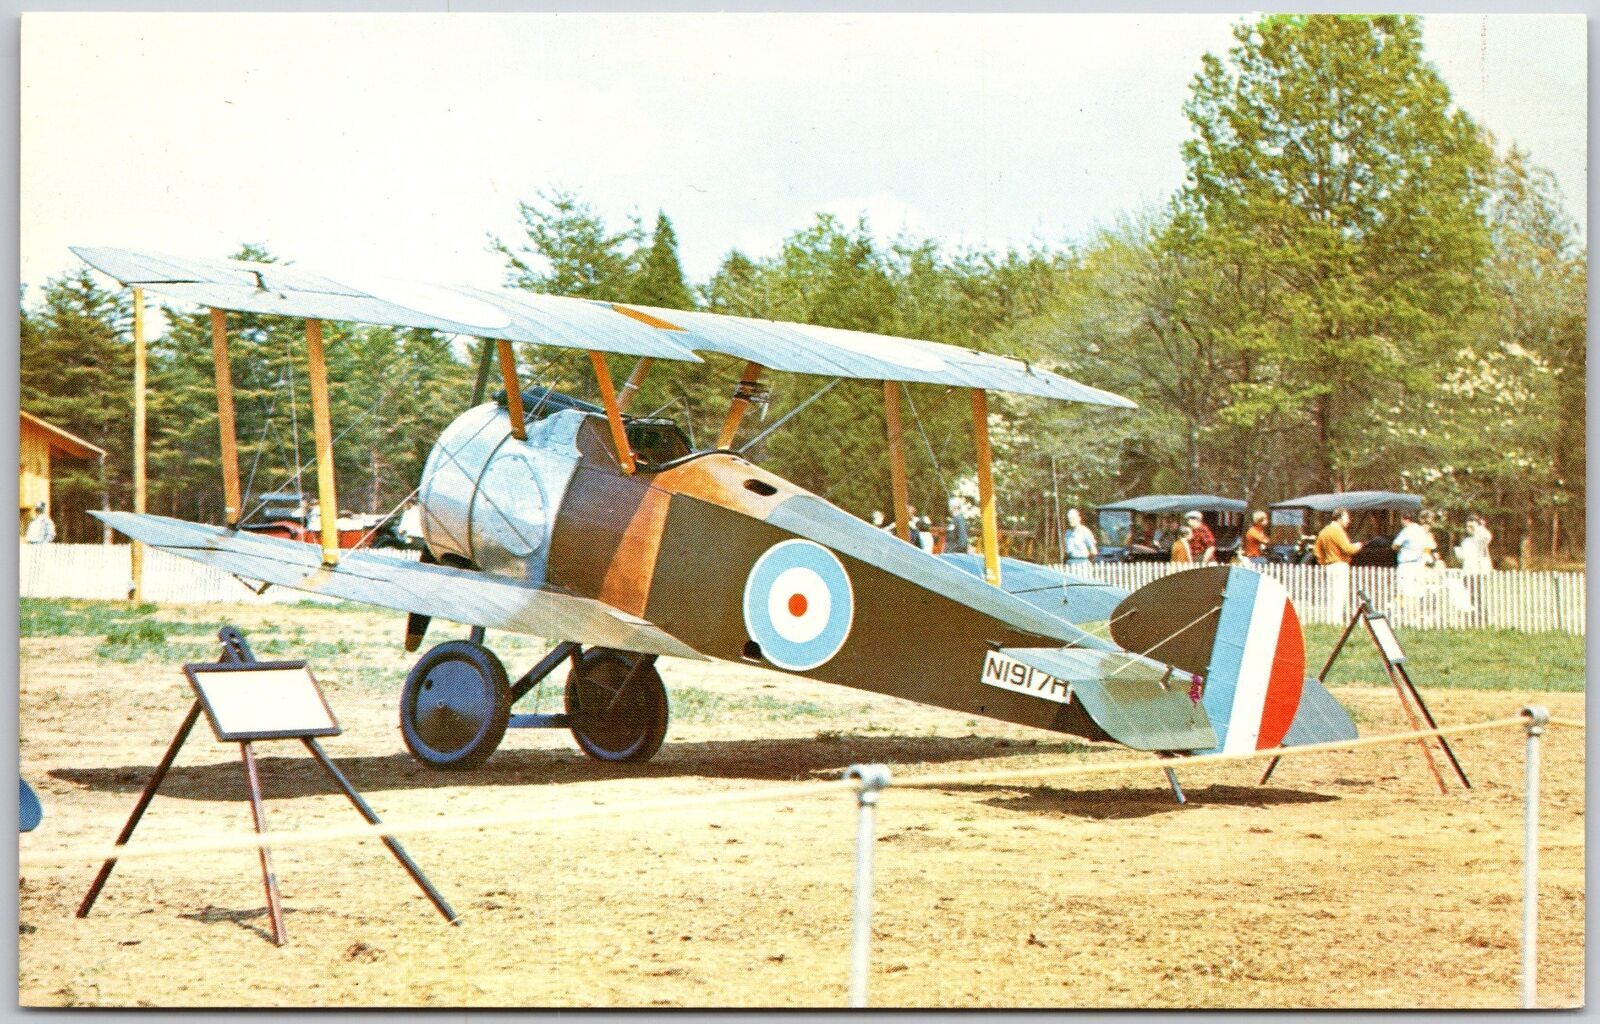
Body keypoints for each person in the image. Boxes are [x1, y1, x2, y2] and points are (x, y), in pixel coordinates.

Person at [1314, 508, 1363, 621]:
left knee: (1331, 594)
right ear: (1339, 518)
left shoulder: (1324, 531)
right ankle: (1337, 620)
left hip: (1329, 566)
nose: (1348, 521)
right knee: (1340, 594)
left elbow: (1317, 551)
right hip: (1340, 565)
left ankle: (1331, 619)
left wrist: (1323, 562)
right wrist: (1357, 546)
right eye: (1346, 518)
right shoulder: (1338, 531)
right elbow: (1348, 549)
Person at [1392, 509, 1432, 614]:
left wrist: (1400, 549)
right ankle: (1415, 615)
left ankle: (1409, 616)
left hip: (1406, 565)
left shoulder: (1407, 530)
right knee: (1416, 592)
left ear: (1404, 519)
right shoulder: (1421, 531)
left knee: (1406, 591)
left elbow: (1395, 545)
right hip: (1418, 565)